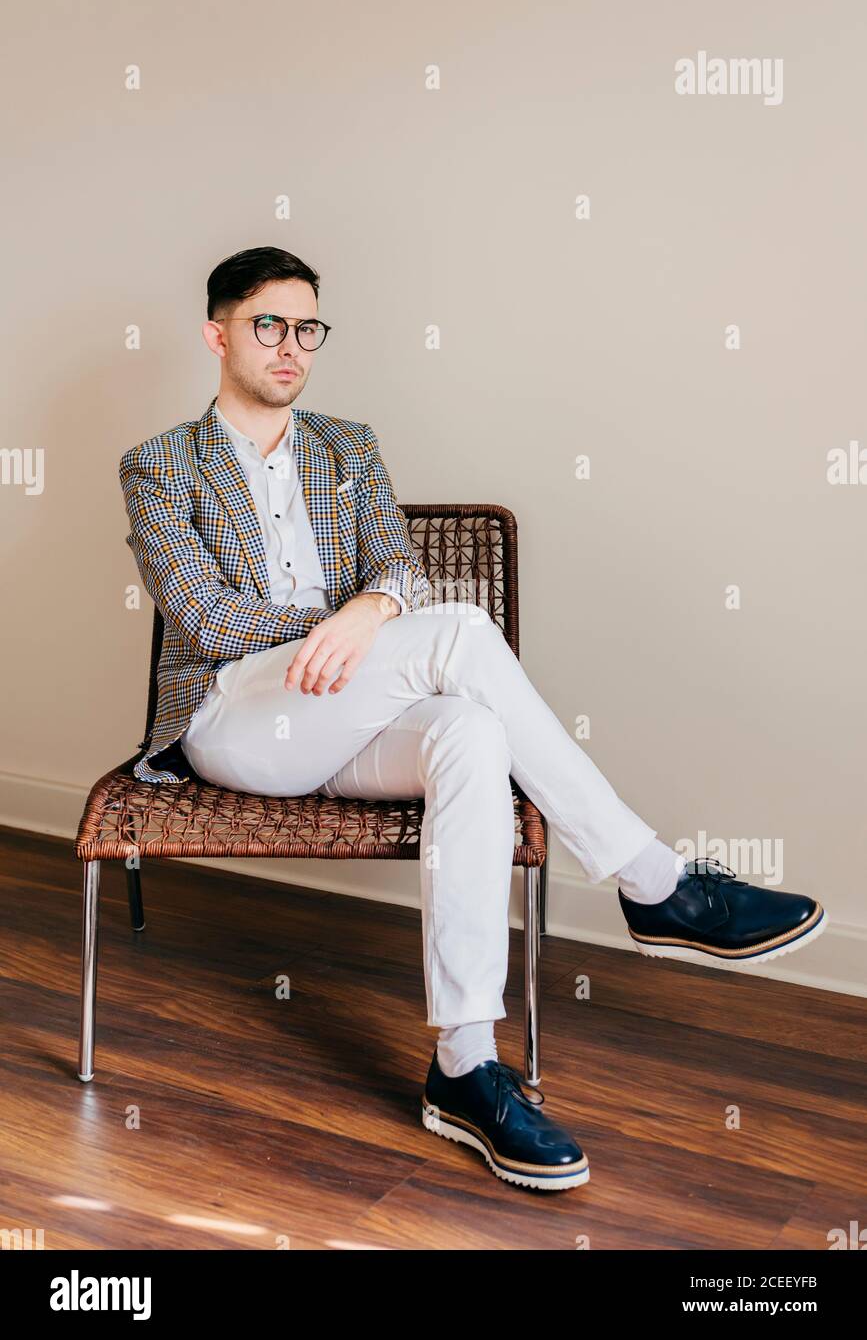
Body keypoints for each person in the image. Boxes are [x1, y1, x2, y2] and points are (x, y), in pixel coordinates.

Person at [119, 245, 827, 1192]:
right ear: (218, 334)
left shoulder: (349, 446)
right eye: (267, 325)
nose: (291, 347)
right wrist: (350, 618)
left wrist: (370, 612)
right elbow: (203, 615)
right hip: (237, 718)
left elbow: (399, 575)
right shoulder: (160, 465)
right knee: (454, 629)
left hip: (347, 718)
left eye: (307, 328)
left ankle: (462, 1063)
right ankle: (655, 884)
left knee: (473, 735)